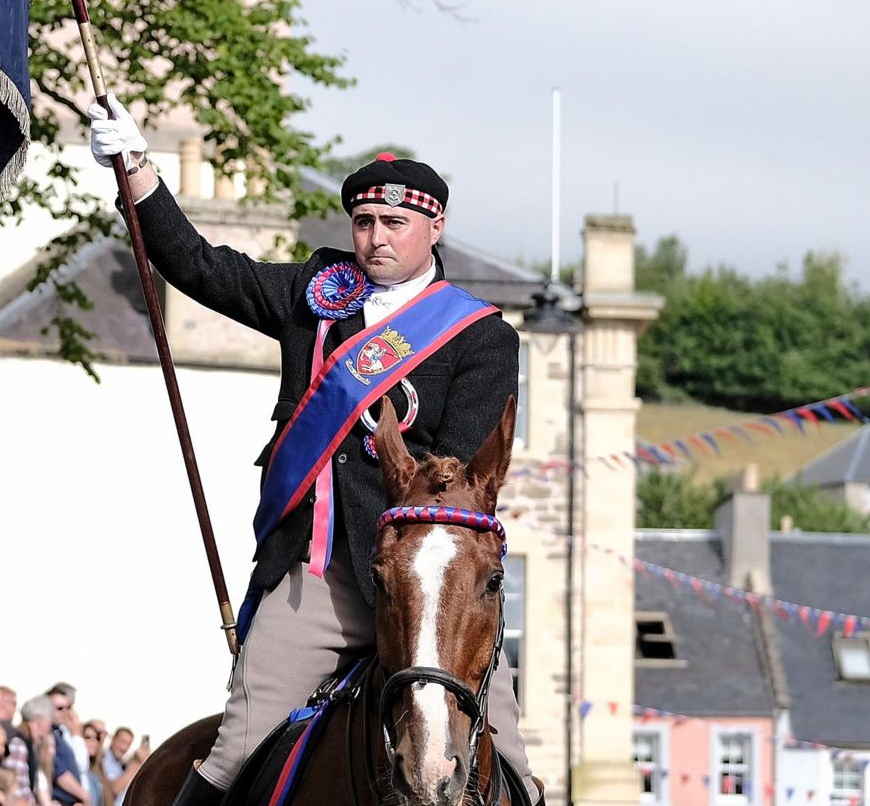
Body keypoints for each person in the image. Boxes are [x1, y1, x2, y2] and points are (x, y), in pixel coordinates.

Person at [87, 109, 539, 806]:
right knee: (235, 747)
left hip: (429, 593)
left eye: (393, 224)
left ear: (433, 228)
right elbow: (203, 268)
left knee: (512, 763)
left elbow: (456, 477)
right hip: (319, 577)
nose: (376, 237)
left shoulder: (480, 336)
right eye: (364, 222)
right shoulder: (318, 294)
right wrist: (139, 174)